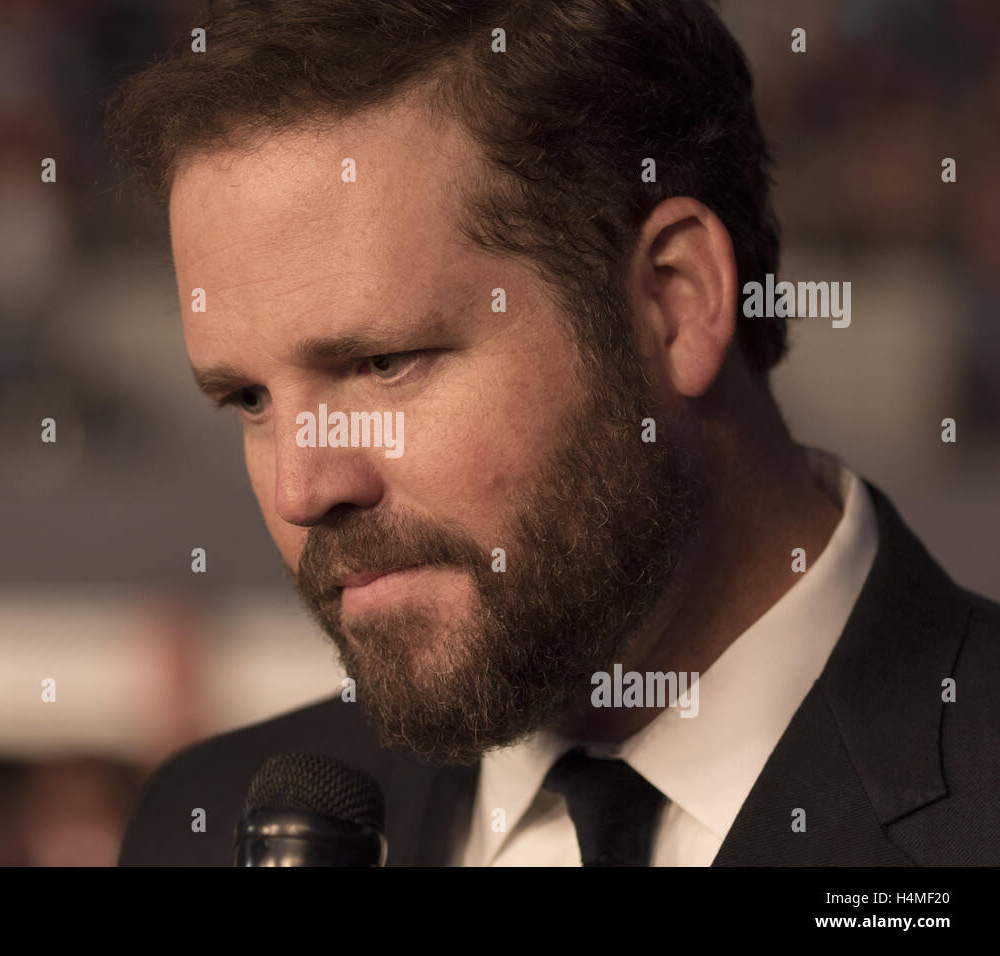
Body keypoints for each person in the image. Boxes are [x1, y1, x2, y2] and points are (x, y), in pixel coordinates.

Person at [107, 0, 999, 865]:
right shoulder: (203, 826)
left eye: (385, 364)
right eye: (250, 401)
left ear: (675, 302)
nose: (303, 490)